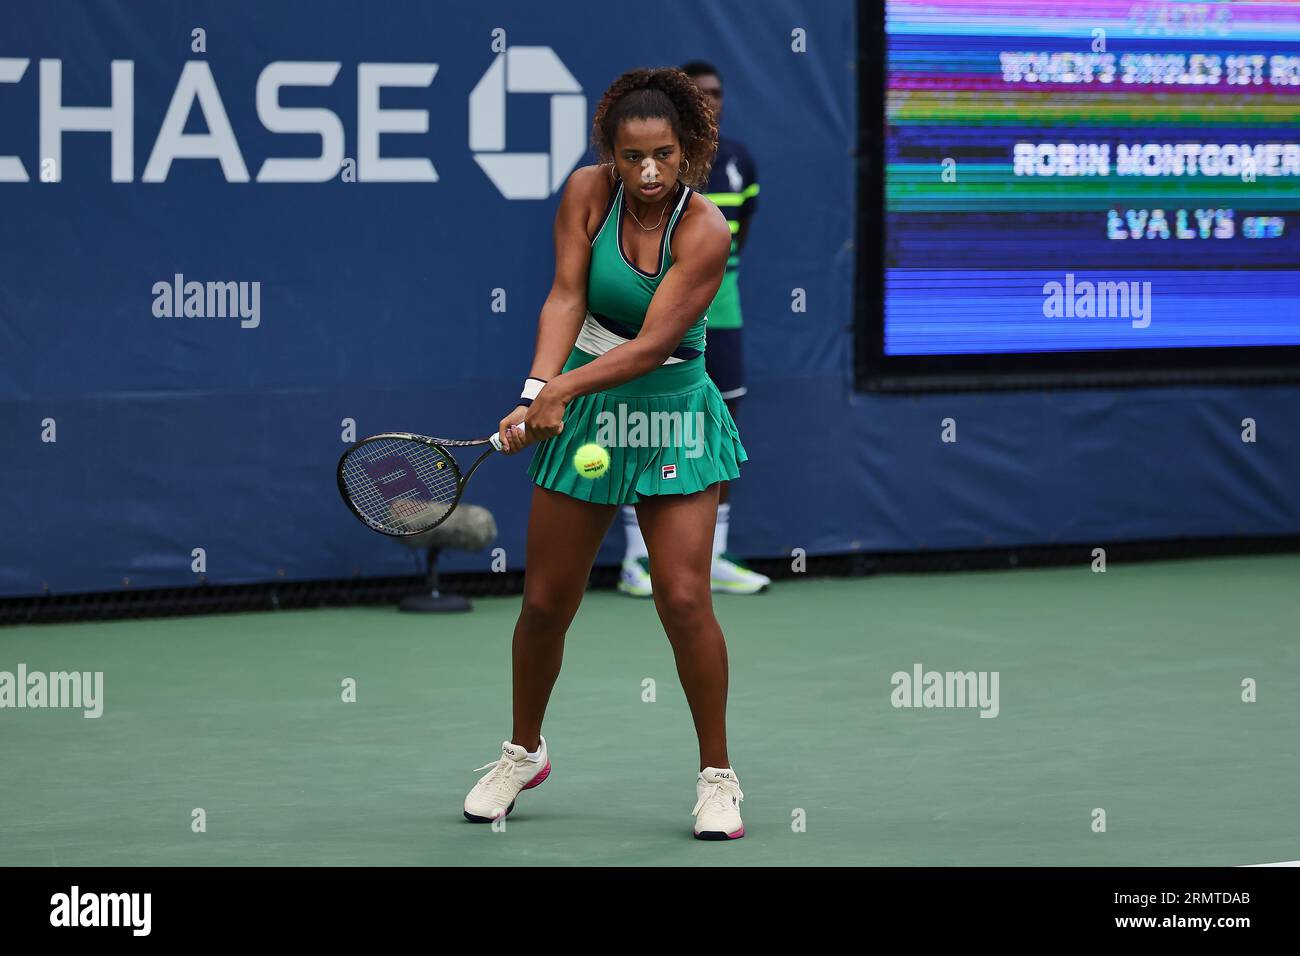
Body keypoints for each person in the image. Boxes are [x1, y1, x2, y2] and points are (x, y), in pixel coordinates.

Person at [462, 67, 747, 840]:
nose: (648, 172)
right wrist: (535, 389)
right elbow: (565, 295)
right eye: (631, 157)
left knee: (684, 599)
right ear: (610, 155)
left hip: (672, 415)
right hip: (586, 408)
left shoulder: (707, 231)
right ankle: (522, 751)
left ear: (688, 150)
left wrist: (562, 390)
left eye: (662, 155)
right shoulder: (586, 195)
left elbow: (655, 345)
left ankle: (718, 777)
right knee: (546, 603)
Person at [618, 59, 771, 598]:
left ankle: (712, 556)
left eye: (717, 91)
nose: (711, 101)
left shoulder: (739, 162)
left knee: (717, 427)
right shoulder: (649, 166)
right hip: (647, 317)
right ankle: (638, 558)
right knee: (638, 425)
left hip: (722, 315)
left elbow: (737, 238)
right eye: (699, 93)